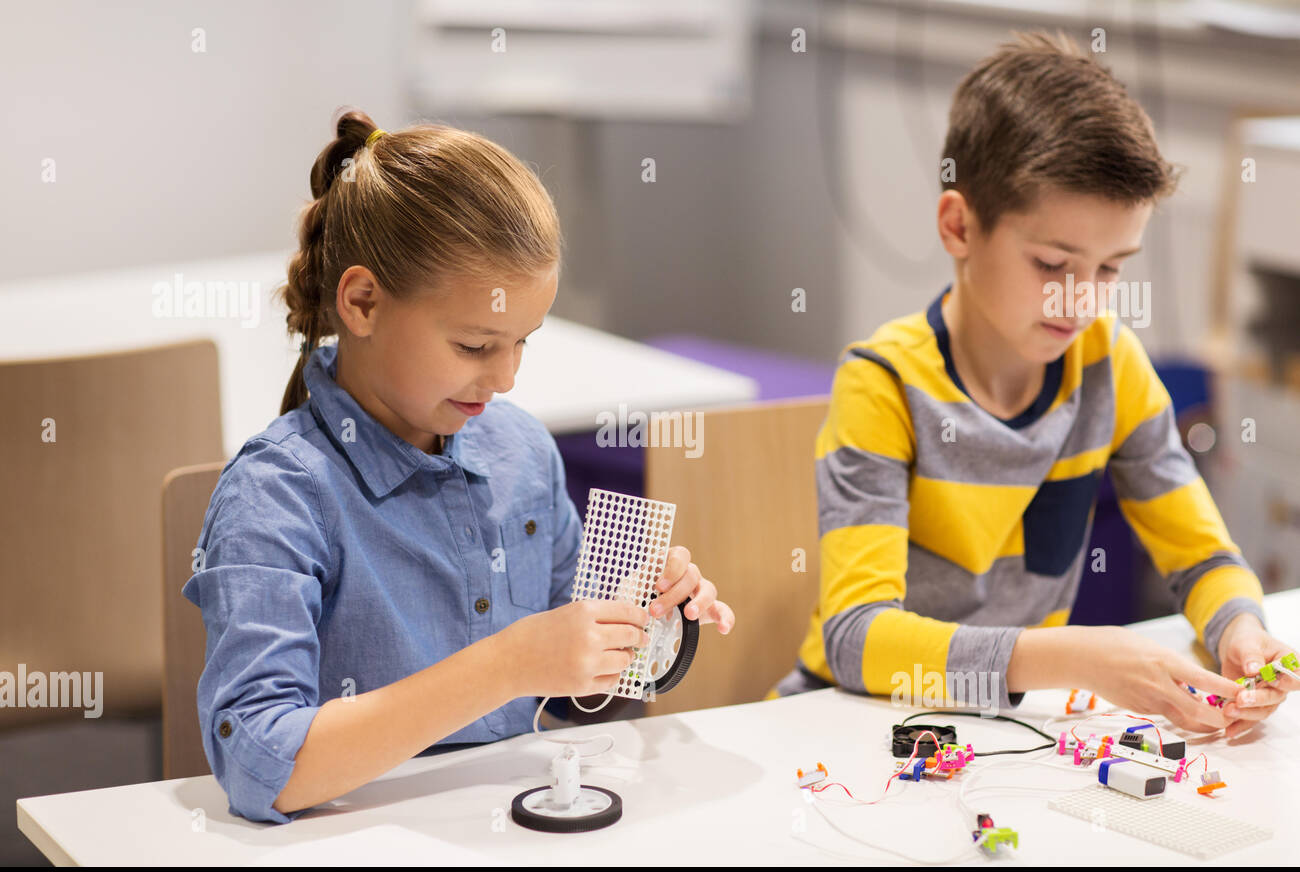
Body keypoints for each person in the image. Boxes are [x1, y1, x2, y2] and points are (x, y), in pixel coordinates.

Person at [183, 110, 734, 824]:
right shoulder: (278, 496)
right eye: (476, 347)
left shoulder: (523, 454)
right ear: (362, 302)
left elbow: (574, 692)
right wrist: (508, 664)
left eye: (523, 344)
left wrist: (640, 628)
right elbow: (259, 763)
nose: (504, 378)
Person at [774, 32, 1292, 736]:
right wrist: (1075, 657)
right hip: (850, 721)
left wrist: (1241, 628)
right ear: (959, 226)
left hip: (1000, 732)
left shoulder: (1110, 363)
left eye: (1109, 269)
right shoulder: (883, 384)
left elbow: (1201, 554)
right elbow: (857, 641)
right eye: (1053, 264)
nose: (1081, 303)